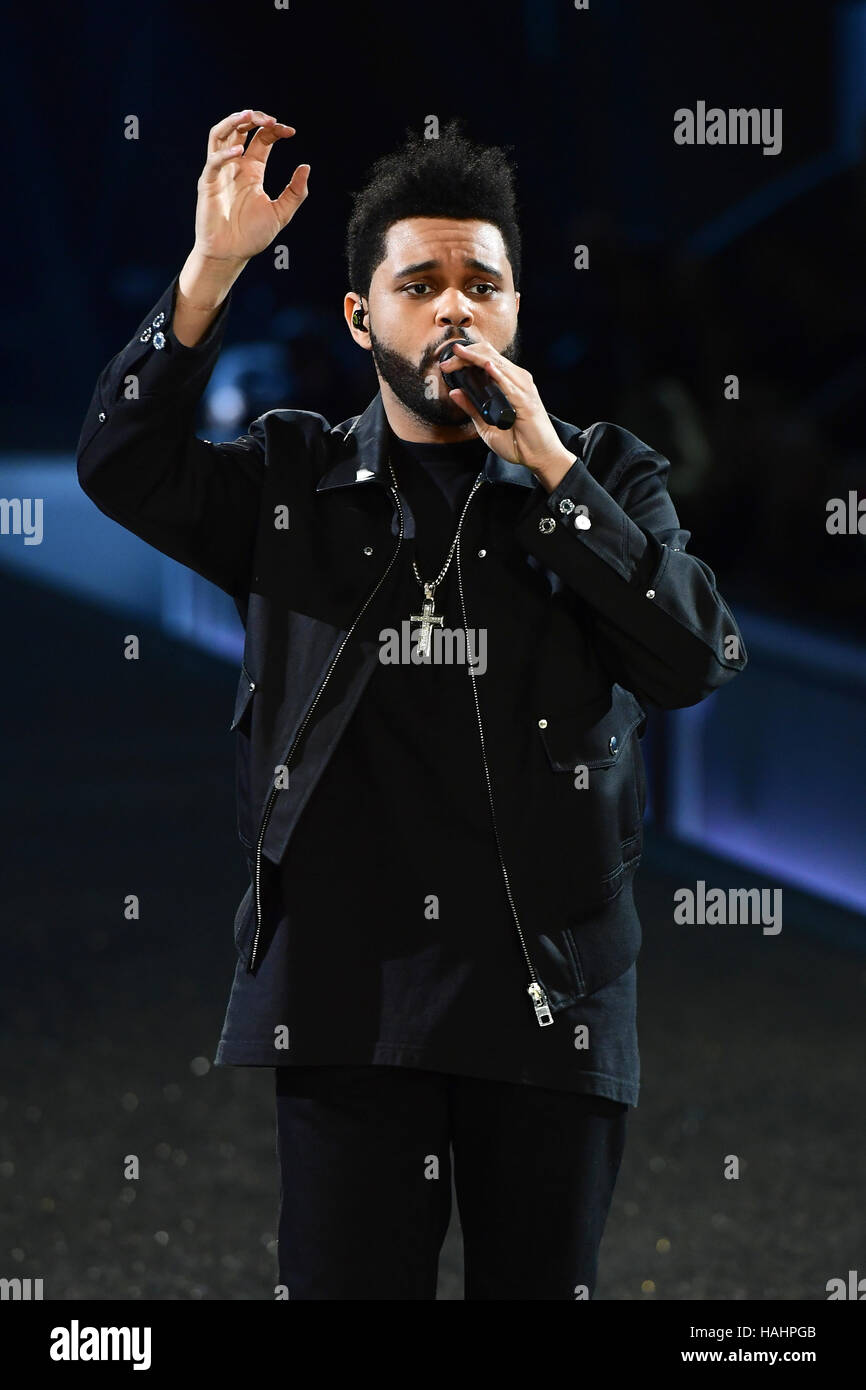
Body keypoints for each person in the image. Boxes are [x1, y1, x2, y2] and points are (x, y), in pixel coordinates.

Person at [76, 110, 747, 1300]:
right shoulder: (292, 481)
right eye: (421, 283)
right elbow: (121, 461)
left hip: (551, 1001)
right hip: (343, 1002)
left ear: (516, 309)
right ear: (360, 316)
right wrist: (211, 268)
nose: (454, 309)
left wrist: (552, 472)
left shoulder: (604, 475)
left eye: (482, 285)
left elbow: (694, 660)